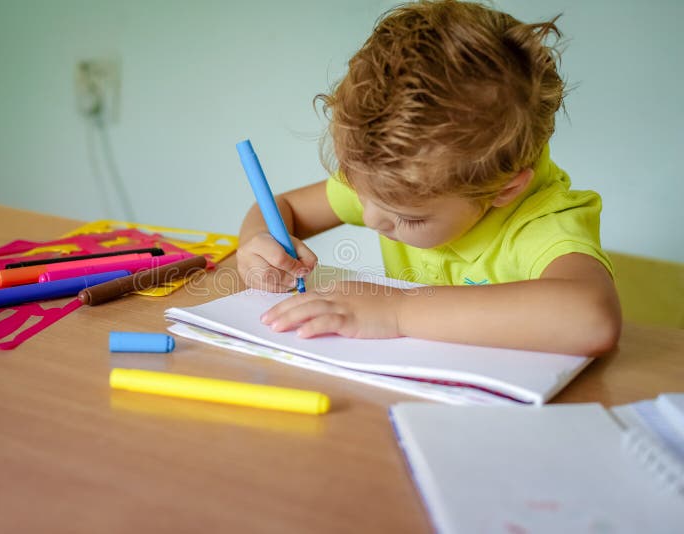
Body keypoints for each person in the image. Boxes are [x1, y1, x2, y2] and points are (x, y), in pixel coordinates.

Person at [236, 0, 621, 356]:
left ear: (503, 190)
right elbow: (283, 208)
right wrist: (258, 245)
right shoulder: (392, 182)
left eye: (411, 218)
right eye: (357, 188)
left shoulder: (541, 222)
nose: (371, 218)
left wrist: (399, 311)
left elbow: (592, 318)